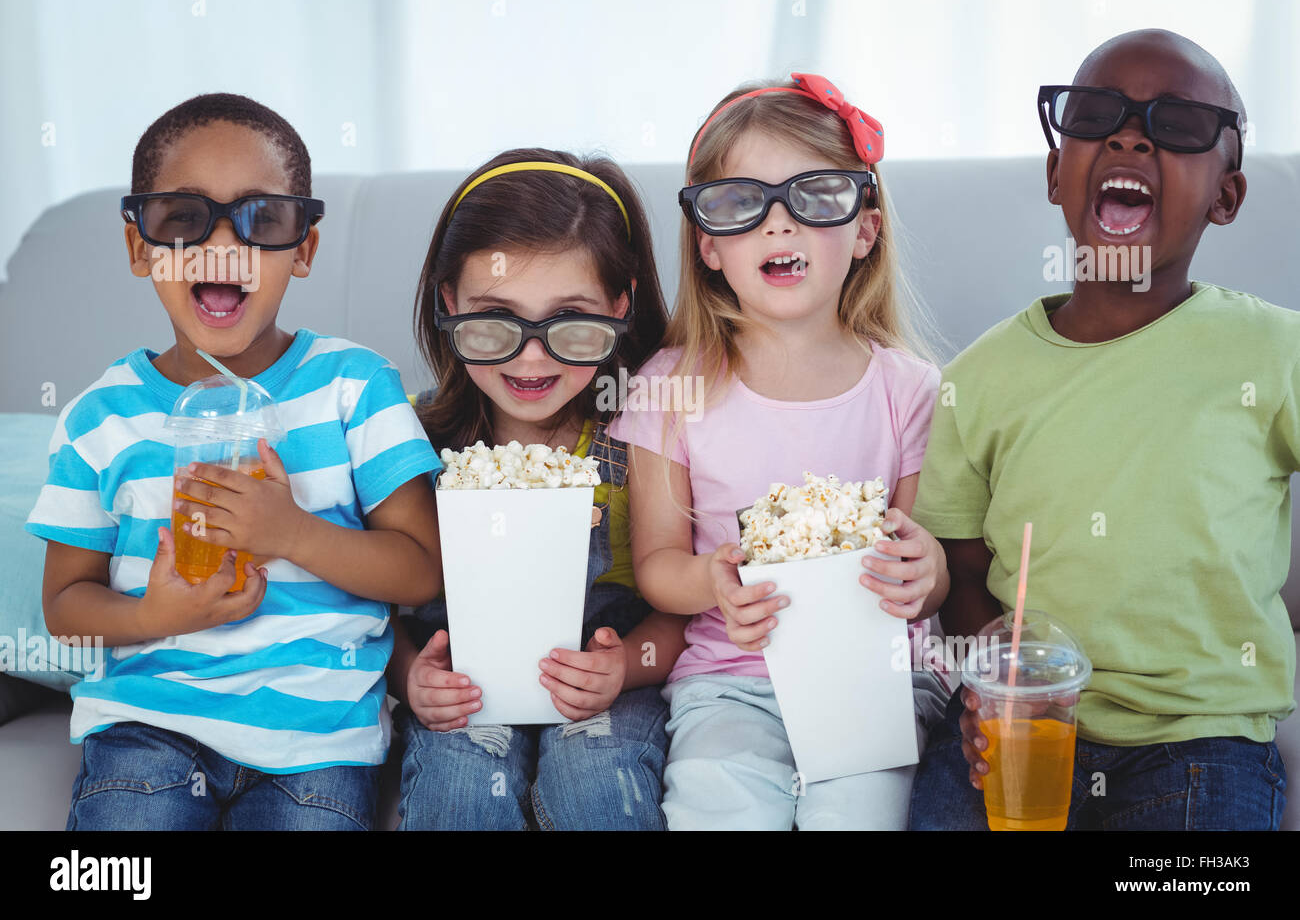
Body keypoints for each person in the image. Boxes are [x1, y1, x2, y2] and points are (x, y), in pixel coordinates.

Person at [25, 93, 443, 830]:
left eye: (262, 219)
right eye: (181, 218)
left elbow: (421, 569)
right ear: (137, 247)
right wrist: (155, 613)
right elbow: (64, 608)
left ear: (305, 247)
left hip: (316, 744)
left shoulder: (355, 387)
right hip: (146, 731)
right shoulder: (99, 417)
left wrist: (293, 534)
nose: (222, 247)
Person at [908, 29, 1292, 830]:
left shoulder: (1274, 351)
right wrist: (989, 688)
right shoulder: (978, 379)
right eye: (1094, 115)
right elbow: (964, 575)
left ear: (1226, 196)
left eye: (1177, 123)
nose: (1129, 135)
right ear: (1057, 174)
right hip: (1021, 728)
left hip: (1199, 743)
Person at [613, 74, 950, 830]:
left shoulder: (911, 389)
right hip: (732, 677)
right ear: (707, 244)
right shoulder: (672, 387)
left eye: (816, 197)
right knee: (713, 791)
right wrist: (711, 579)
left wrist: (924, 574)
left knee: (860, 809)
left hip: (875, 676)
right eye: (741, 203)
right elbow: (659, 566)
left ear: (865, 230)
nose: (778, 226)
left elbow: (926, 569)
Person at [389, 148, 686, 830]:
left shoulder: (648, 432)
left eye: (570, 322)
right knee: (458, 794)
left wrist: (628, 669)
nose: (531, 356)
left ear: (620, 307)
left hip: (610, 680)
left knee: (597, 788)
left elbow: (685, 606)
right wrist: (409, 676)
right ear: (449, 303)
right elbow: (372, 610)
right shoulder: (407, 437)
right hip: (463, 683)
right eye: (495, 317)